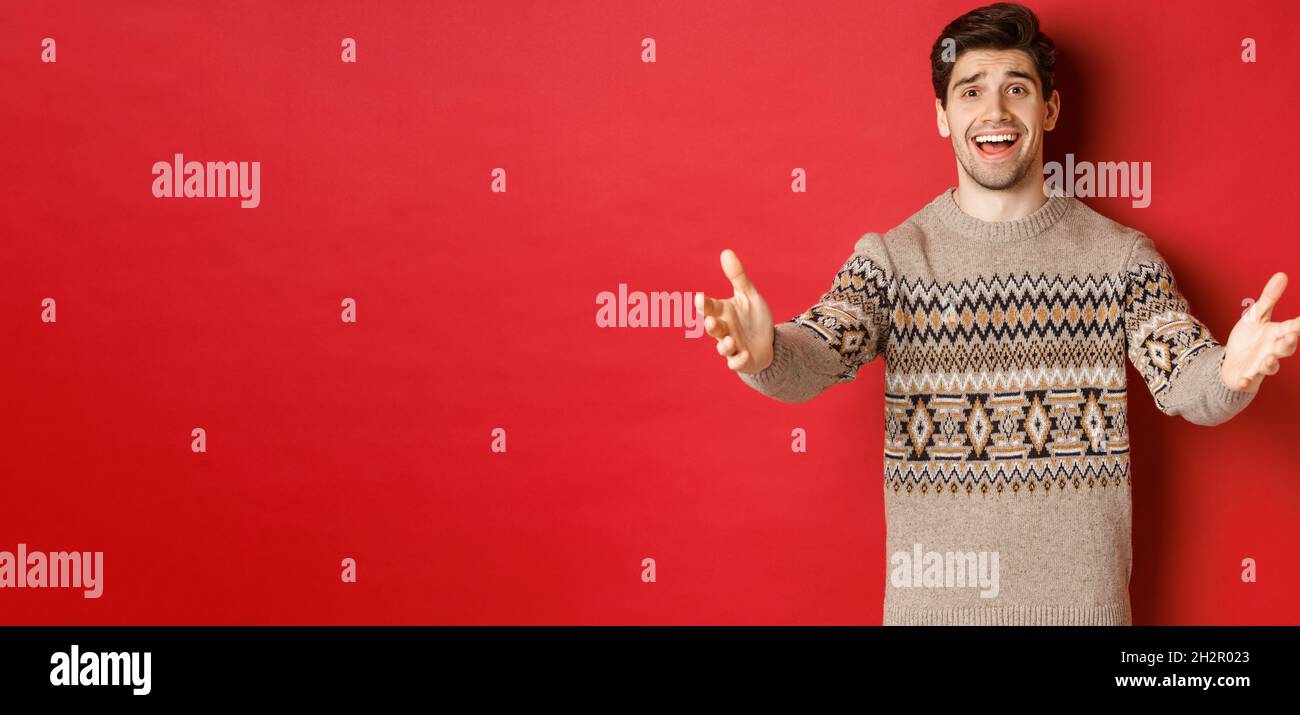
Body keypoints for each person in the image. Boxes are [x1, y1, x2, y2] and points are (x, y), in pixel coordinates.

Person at [694, 1, 1300, 625]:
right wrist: (767, 355)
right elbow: (816, 354)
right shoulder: (893, 260)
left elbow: (1185, 377)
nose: (995, 112)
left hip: (1084, 616)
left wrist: (1230, 372)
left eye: (1017, 89)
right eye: (970, 91)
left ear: (1051, 109)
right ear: (941, 115)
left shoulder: (1121, 259)